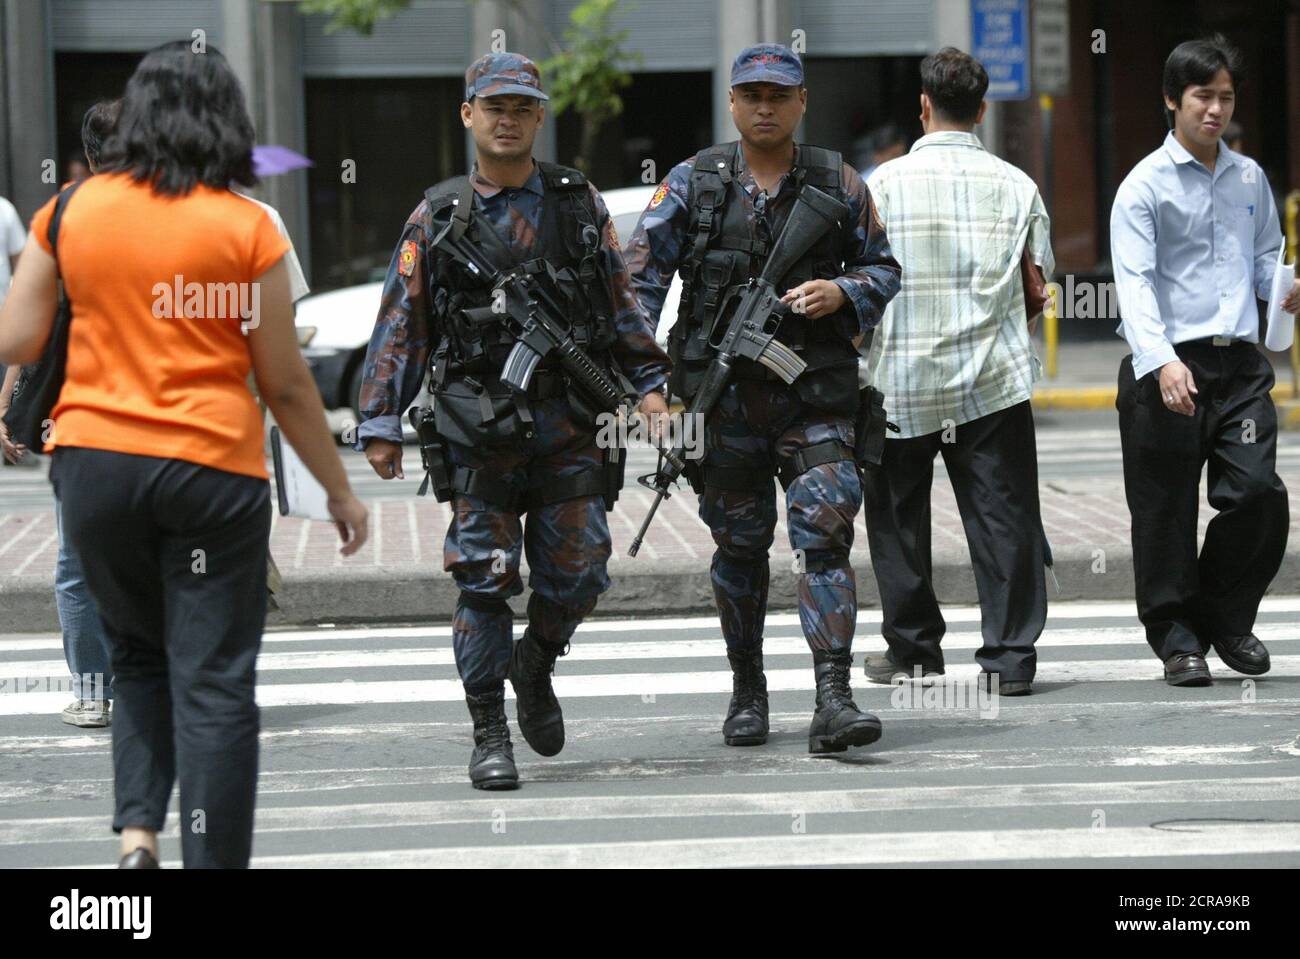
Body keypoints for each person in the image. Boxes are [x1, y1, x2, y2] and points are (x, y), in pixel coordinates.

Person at [0, 40, 368, 868]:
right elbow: (286, 382)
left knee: (134, 656)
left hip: (96, 466)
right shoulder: (247, 225)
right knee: (214, 681)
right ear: (225, 121)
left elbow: (18, 336)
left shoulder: (71, 210)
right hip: (212, 470)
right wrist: (340, 493)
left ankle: (138, 833)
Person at [356, 52, 670, 790]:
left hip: (569, 424)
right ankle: (489, 729)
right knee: (484, 580)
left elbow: (619, 300)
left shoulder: (574, 199)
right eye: (493, 105)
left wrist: (651, 385)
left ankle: (535, 663)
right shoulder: (437, 213)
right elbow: (403, 322)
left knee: (581, 571)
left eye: (522, 107)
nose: (507, 118)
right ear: (468, 114)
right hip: (478, 429)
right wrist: (378, 417)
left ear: (538, 117)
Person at [624, 44, 900, 753]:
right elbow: (638, 286)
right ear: (733, 103)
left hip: (814, 398)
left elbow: (884, 266)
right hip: (723, 409)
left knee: (824, 538)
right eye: (752, 94)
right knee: (738, 550)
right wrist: (648, 384)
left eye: (779, 94)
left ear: (802, 101)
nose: (766, 106)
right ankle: (748, 687)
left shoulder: (836, 179)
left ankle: (833, 697)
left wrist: (844, 291)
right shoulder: (694, 182)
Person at [859, 48, 1053, 698]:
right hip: (990, 384)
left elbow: (859, 290)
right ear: (982, 109)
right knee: (1002, 516)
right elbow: (1036, 290)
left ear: (922, 107)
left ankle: (913, 652)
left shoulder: (878, 187)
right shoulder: (1018, 186)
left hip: (898, 381)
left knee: (896, 521)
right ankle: (1010, 657)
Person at [1111, 35, 1300, 686]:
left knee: (1258, 494)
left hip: (1239, 366)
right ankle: (1176, 638)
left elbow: (1264, 258)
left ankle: (1223, 615)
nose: (1215, 110)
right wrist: (1161, 361)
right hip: (1165, 363)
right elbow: (1133, 284)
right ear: (1172, 100)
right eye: (1202, 97)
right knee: (1163, 512)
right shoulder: (1143, 188)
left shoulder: (1248, 178)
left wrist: (1281, 285)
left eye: (1225, 97)